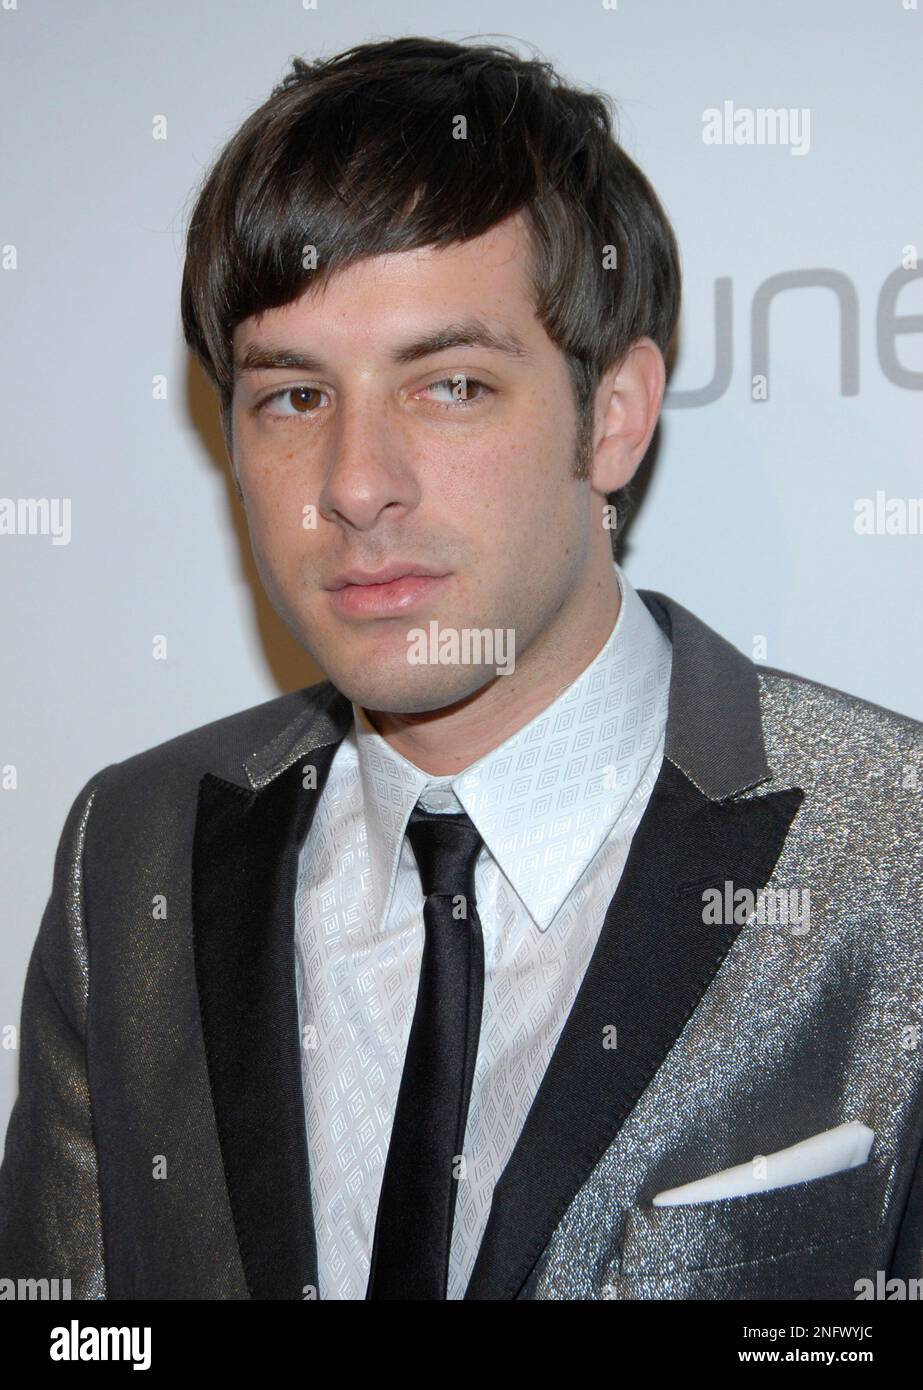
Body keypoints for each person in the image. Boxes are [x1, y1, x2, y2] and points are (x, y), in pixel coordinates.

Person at [1, 36, 921, 1302]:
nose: (356, 482)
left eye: (448, 384)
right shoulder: (134, 846)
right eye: (291, 397)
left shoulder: (896, 851)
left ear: (611, 415)